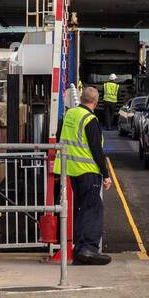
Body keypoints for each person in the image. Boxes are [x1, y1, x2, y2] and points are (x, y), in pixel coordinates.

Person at [53, 85, 114, 264]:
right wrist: (106, 174)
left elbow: (60, 137)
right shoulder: (90, 119)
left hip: (71, 170)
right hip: (88, 171)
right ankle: (88, 248)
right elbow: (97, 150)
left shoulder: (70, 114)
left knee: (82, 209)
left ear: (81, 98)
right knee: (94, 209)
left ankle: (79, 249)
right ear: (95, 102)